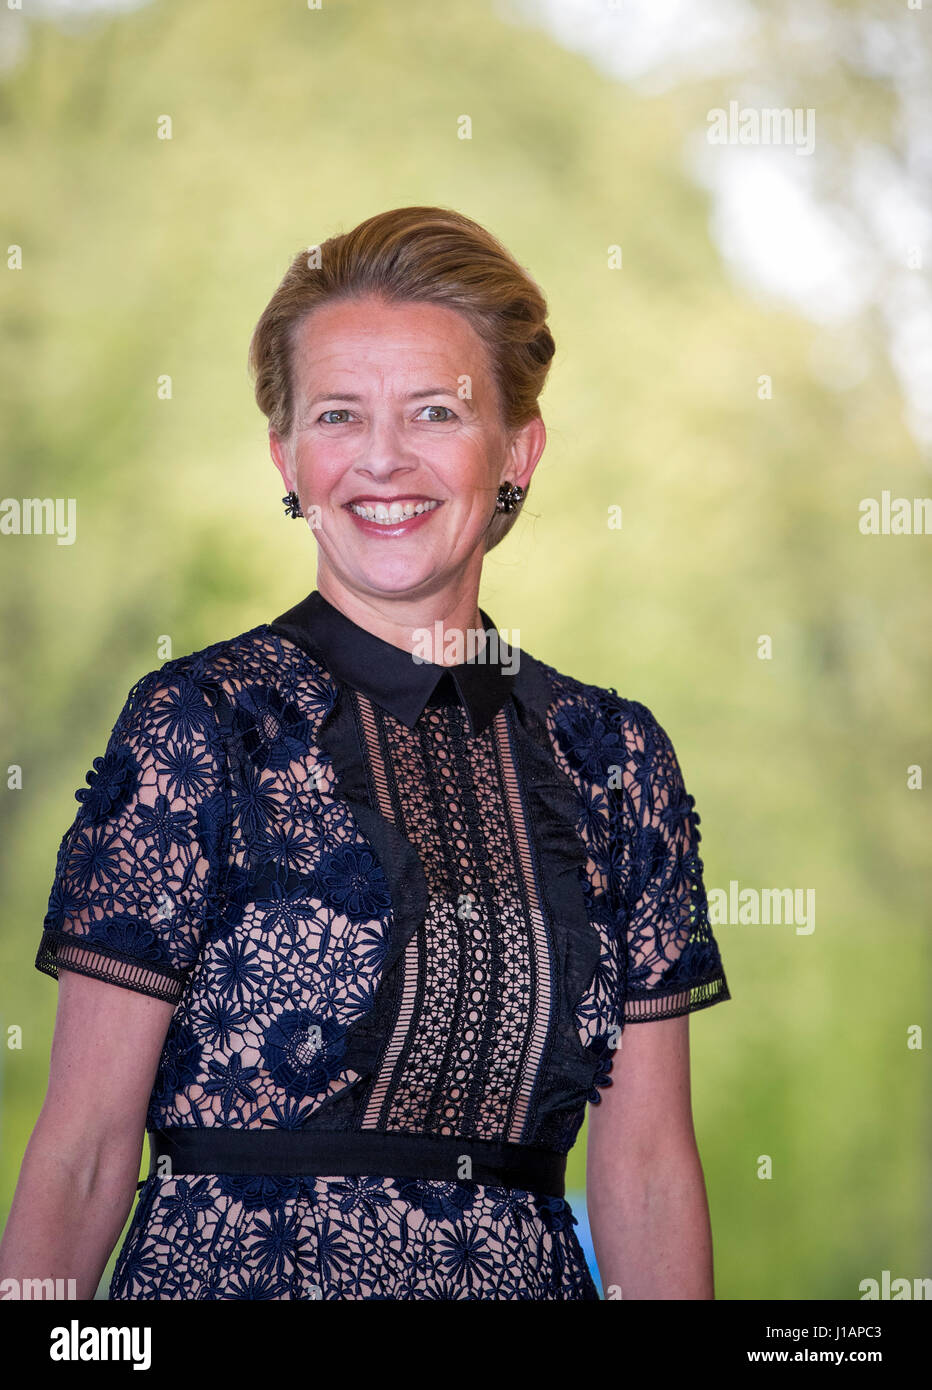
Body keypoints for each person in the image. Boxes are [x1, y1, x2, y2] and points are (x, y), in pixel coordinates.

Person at [0, 206, 731, 1301]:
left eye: (435, 411)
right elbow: (85, 1151)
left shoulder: (615, 761)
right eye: (339, 415)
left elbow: (645, 1176)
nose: (382, 459)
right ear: (287, 455)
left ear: (516, 448)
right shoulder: (199, 724)